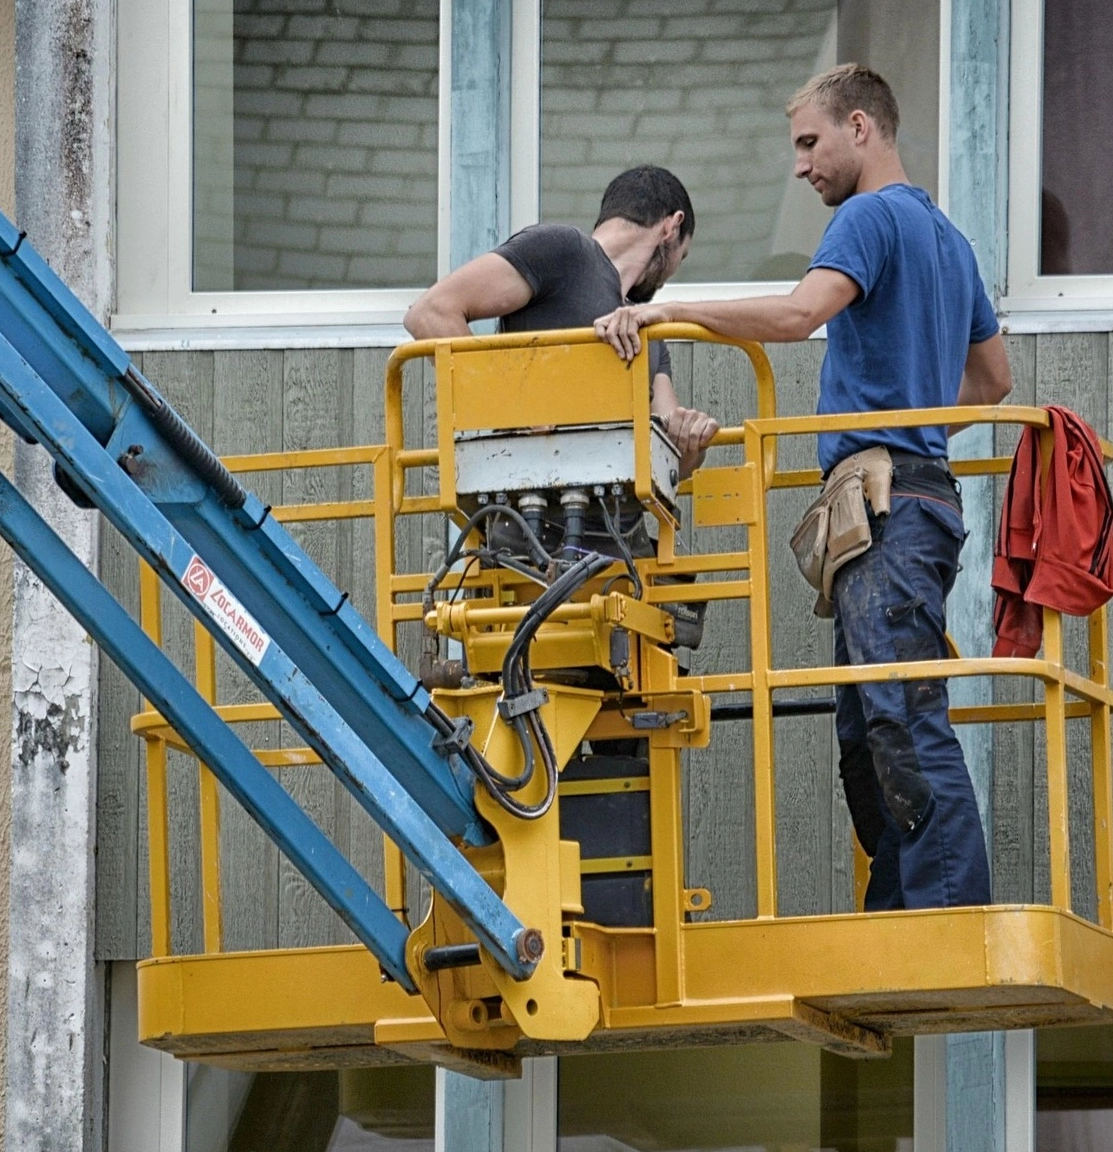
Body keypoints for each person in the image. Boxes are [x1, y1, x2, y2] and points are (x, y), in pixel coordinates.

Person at [595, 64, 1013, 911]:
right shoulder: (947, 237)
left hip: (887, 506)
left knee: (893, 714)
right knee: (869, 725)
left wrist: (666, 315)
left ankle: (942, 912)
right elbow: (994, 382)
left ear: (861, 127)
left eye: (809, 141)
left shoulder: (868, 217)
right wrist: (914, 430)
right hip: (916, 497)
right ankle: (902, 909)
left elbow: (796, 316)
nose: (800, 165)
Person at [403, 165, 719, 481]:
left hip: (617, 526)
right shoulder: (565, 250)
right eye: (683, 255)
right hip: (530, 517)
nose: (668, 277)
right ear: (671, 228)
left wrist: (692, 443)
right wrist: (517, 408)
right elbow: (430, 313)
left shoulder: (651, 332)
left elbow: (672, 457)